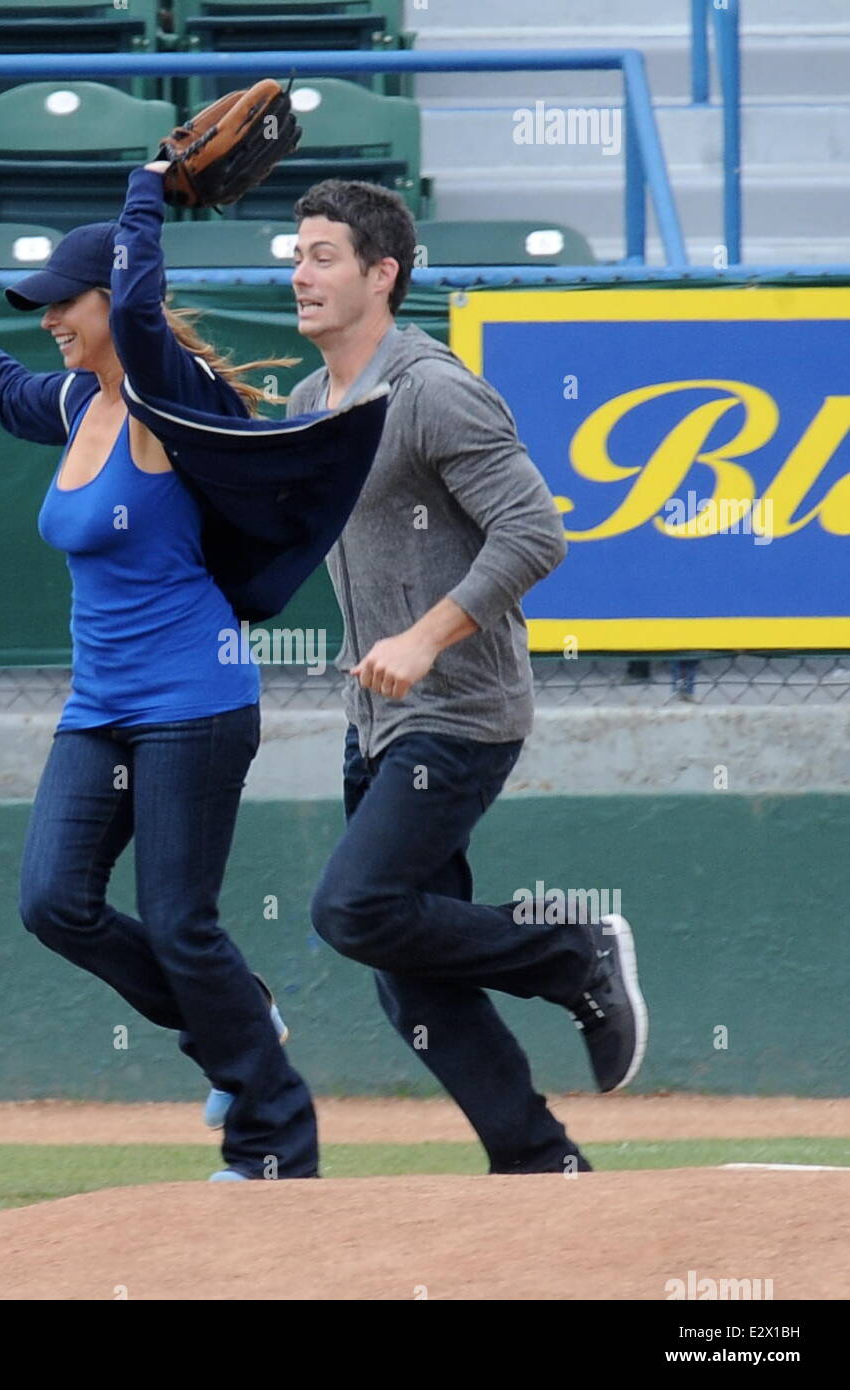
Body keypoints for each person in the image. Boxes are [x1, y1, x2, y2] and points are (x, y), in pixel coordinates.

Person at [0, 163, 323, 1182]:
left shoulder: (178, 397)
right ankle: (236, 1024)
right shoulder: (81, 400)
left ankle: (272, 1142)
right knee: (54, 902)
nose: (47, 322)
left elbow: (136, 301)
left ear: (112, 301)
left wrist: (147, 186)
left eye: (60, 304)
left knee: (179, 919)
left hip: (193, 704)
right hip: (102, 710)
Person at [287, 179, 649, 1175]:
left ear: (382, 273)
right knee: (406, 969)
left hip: (459, 708)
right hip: (377, 720)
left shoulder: (433, 389)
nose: (300, 273)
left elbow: (536, 532)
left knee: (352, 910)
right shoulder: (306, 402)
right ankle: (540, 1162)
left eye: (323, 256)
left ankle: (573, 953)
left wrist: (423, 638)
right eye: (296, 254)